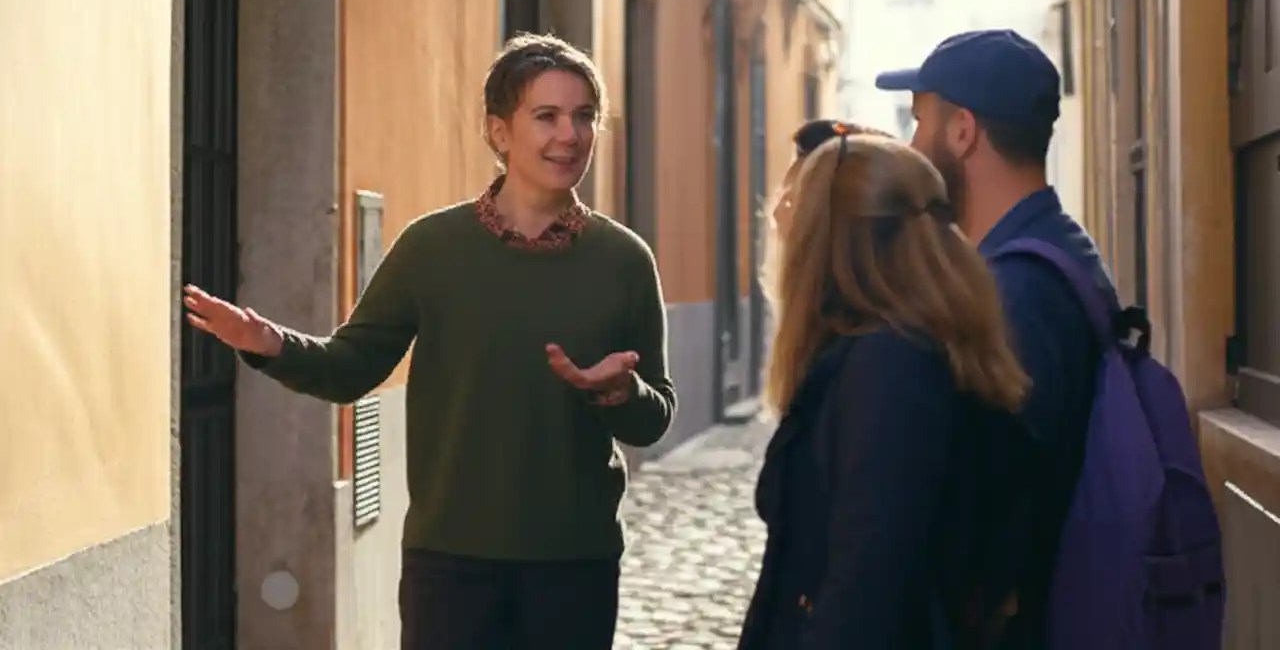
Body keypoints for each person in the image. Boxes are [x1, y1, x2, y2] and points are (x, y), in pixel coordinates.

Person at [183, 33, 677, 650]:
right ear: (500, 132)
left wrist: (622, 391)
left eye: (584, 117)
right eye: (546, 116)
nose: (570, 136)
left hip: (573, 564)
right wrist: (268, 342)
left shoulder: (624, 260)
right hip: (450, 563)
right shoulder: (432, 248)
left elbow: (654, 417)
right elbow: (351, 367)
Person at [738, 127, 1031, 649]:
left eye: (794, 217)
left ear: (828, 243)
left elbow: (866, 589)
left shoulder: (890, 368)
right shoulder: (902, 352)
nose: (781, 229)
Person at [875, 28, 1119, 647]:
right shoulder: (1054, 252)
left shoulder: (1018, 290)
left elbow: (995, 520)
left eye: (918, 122)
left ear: (962, 131)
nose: (911, 144)